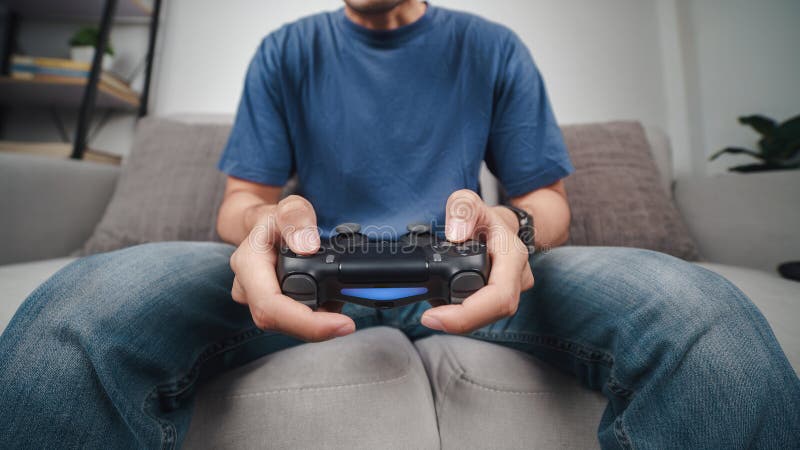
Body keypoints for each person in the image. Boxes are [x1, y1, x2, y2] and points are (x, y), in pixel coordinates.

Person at [1, 1, 798, 448]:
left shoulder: (492, 49)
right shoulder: (287, 51)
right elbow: (238, 202)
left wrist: (509, 226)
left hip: (471, 270)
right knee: (76, 313)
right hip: (305, 277)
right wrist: (272, 219)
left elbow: (549, 201)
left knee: (708, 319)